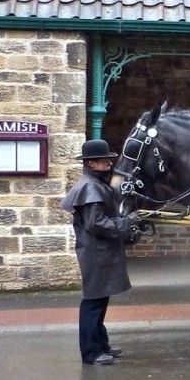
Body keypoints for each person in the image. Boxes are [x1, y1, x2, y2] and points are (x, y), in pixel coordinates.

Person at [61, 139, 141, 365]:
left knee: (99, 301)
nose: (108, 163)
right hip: (95, 253)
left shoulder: (95, 184)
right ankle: (91, 352)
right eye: (104, 160)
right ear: (91, 164)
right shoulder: (89, 187)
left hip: (100, 252)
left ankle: (101, 344)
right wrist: (126, 223)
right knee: (93, 303)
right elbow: (97, 224)